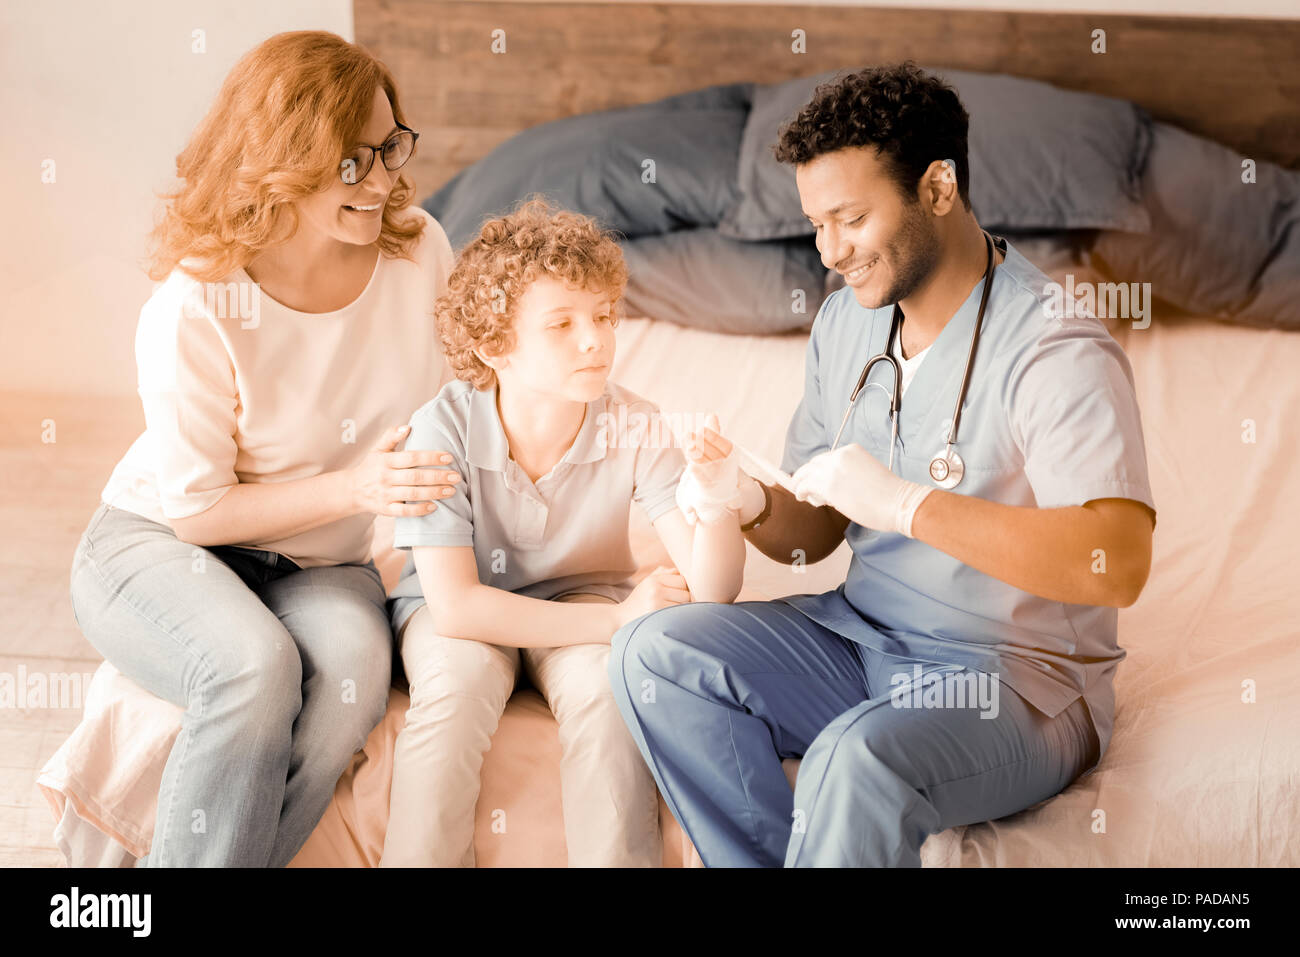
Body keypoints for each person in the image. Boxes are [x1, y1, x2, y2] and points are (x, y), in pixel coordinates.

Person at [608, 63, 1158, 867]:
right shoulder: (846, 326)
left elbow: (1118, 565)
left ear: (939, 187)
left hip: (1017, 683)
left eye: (851, 218)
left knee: (853, 757)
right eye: (816, 224)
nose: (831, 252)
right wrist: (749, 501)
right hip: (861, 639)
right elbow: (814, 535)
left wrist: (907, 505)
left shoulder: (1054, 347)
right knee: (654, 654)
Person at [67, 31, 461, 867]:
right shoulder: (198, 300)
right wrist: (358, 488)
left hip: (319, 565)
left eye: (391, 148)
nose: (385, 180)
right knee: (254, 671)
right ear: (284, 161)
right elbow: (200, 510)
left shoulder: (419, 249)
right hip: (158, 542)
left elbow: (468, 396)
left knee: (351, 677)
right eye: (354, 162)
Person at [380, 197, 747, 867]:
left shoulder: (637, 422)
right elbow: (457, 607)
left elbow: (711, 589)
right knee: (456, 693)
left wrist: (717, 496)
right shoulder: (441, 427)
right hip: (461, 611)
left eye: (605, 316)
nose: (596, 338)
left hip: (579, 598)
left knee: (608, 700)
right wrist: (619, 623)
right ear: (496, 346)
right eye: (563, 323)